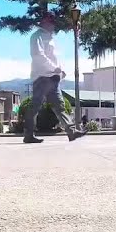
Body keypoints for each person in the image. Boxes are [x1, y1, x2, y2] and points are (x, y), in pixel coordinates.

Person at [23, 11, 85, 144]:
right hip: (41, 77)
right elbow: (38, 56)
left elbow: (54, 57)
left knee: (60, 106)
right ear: (44, 22)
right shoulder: (36, 36)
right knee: (35, 106)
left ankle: (71, 132)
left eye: (53, 22)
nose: (52, 25)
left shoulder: (51, 38)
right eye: (50, 21)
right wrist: (54, 68)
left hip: (53, 78)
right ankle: (28, 134)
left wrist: (60, 71)